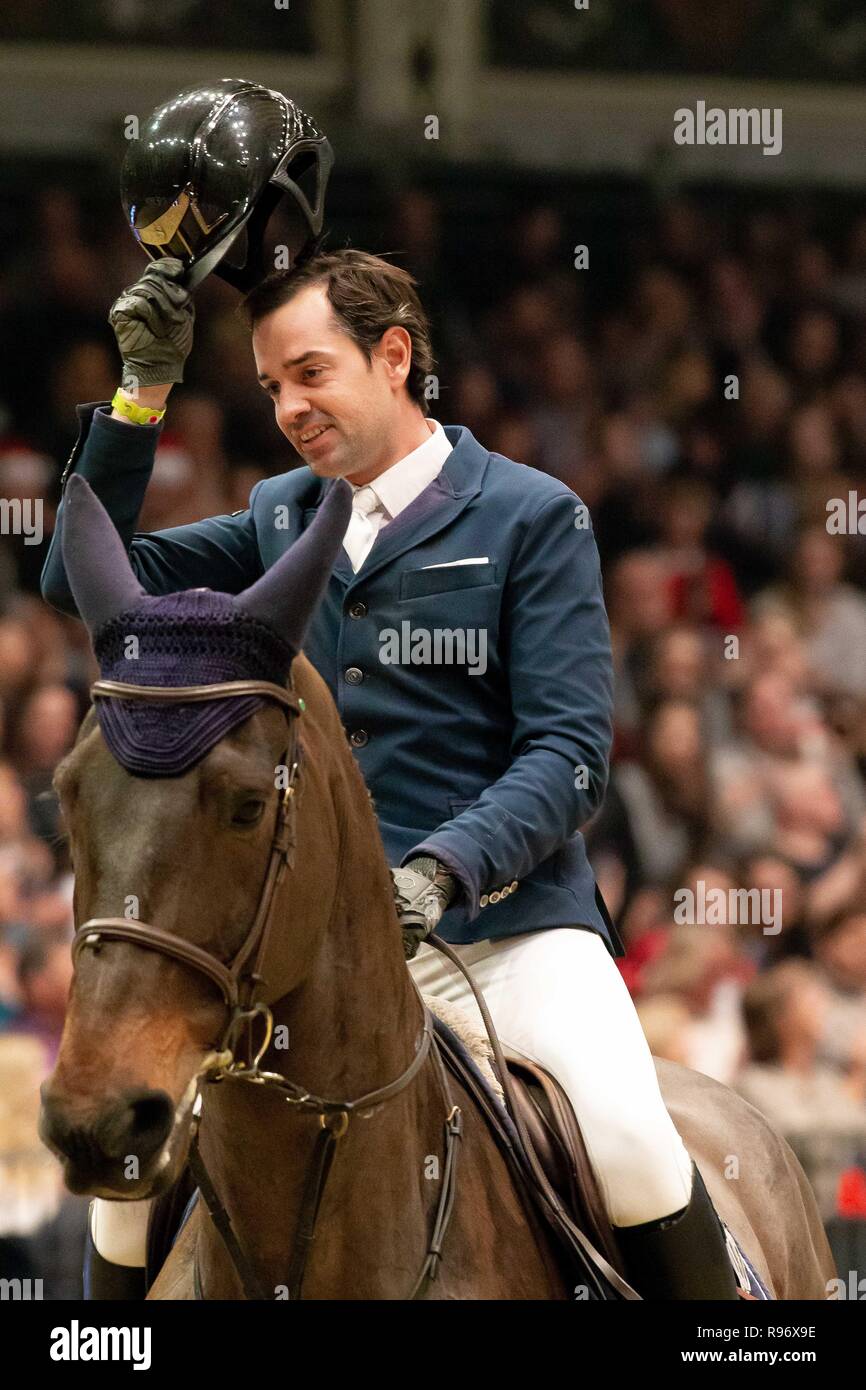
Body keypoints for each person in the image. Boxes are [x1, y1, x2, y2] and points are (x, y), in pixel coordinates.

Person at [42, 250, 738, 1300]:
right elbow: (77, 579)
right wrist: (137, 400)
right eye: (272, 385)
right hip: (311, 959)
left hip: (505, 933)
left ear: (394, 356)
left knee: (632, 1144)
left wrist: (441, 870)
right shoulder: (279, 513)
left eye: (310, 374)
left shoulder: (529, 515)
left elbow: (569, 755)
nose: (288, 407)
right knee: (129, 1203)